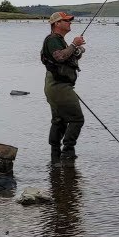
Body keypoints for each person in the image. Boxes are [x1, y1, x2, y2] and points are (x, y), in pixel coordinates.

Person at [40, 11, 87, 163]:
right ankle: (68, 152)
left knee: (59, 120)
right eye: (66, 20)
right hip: (59, 86)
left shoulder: (58, 40)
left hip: (56, 86)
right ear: (57, 24)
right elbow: (60, 57)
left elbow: (66, 57)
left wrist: (77, 50)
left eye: (69, 20)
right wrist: (74, 44)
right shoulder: (53, 39)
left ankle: (55, 158)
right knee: (77, 119)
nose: (69, 22)